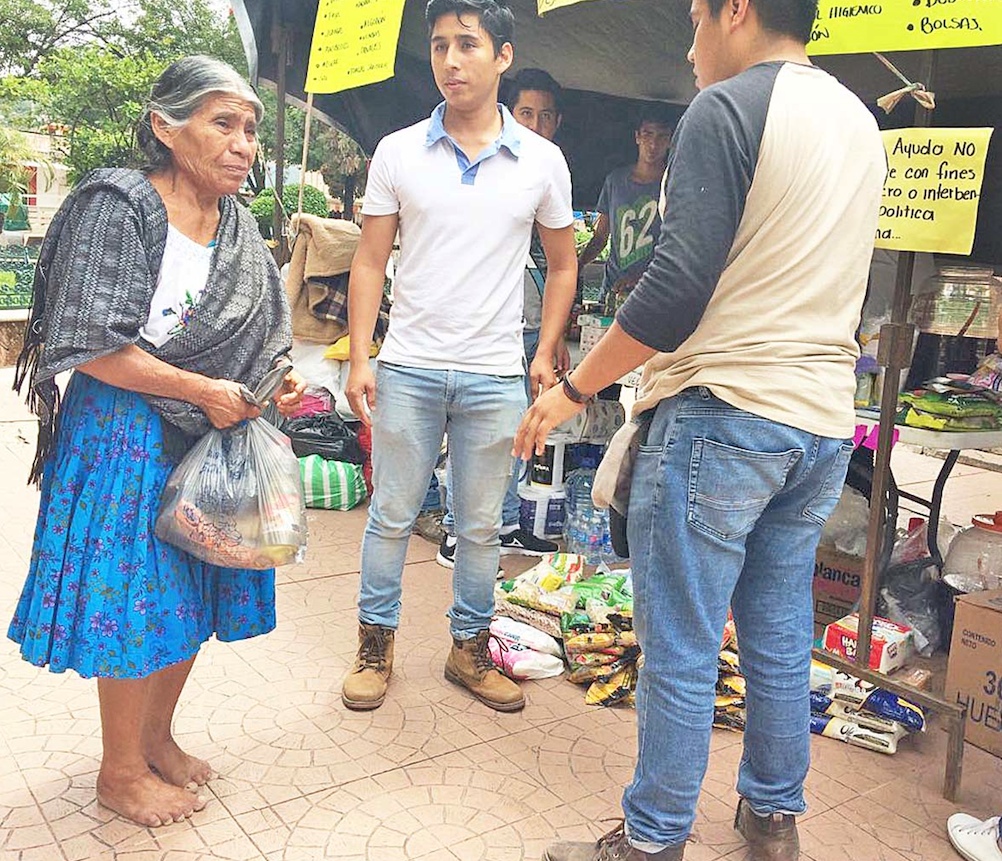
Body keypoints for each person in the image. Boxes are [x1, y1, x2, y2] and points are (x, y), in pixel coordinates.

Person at [513, 0, 886, 856]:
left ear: (738, 10)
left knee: (680, 642)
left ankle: (652, 840)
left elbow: (676, 291)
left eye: (694, 21)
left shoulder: (727, 107)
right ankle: (771, 820)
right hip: (822, 423)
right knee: (780, 632)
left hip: (726, 410)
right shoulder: (859, 122)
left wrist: (572, 389)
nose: (688, 48)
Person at [7, 56, 304, 828]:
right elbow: (90, 345)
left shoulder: (237, 222)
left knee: (193, 589)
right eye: (222, 123)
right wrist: (203, 390)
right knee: (134, 598)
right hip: (124, 429)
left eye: (248, 128)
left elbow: (256, 338)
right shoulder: (120, 207)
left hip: (209, 431)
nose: (243, 144)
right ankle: (118, 769)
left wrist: (275, 385)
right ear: (165, 127)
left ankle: (156, 739)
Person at [343, 0, 576, 714]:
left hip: (494, 375)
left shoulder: (541, 161)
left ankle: (468, 650)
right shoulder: (399, 150)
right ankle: (373, 647)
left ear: (502, 57)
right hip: (409, 366)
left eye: (467, 44)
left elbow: (563, 264)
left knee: (479, 527)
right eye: (440, 45)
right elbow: (370, 259)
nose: (451, 60)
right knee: (389, 514)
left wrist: (544, 350)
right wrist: (361, 357)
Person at [435, 66, 570, 568]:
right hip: (475, 332)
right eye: (526, 113)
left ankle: (507, 521)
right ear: (508, 114)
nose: (535, 124)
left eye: (546, 116)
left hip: (525, 321)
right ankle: (454, 528)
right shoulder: (484, 161)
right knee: (469, 430)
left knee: (514, 430)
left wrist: (549, 340)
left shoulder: (547, 168)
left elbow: (562, 262)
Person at [577, 104, 673, 311]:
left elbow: (676, 246)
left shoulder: (673, 184)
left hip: (654, 294)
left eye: (661, 137)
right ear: (637, 137)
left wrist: (642, 277)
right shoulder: (616, 181)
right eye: (648, 134)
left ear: (670, 142)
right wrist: (577, 265)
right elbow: (601, 237)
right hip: (613, 290)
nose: (653, 144)